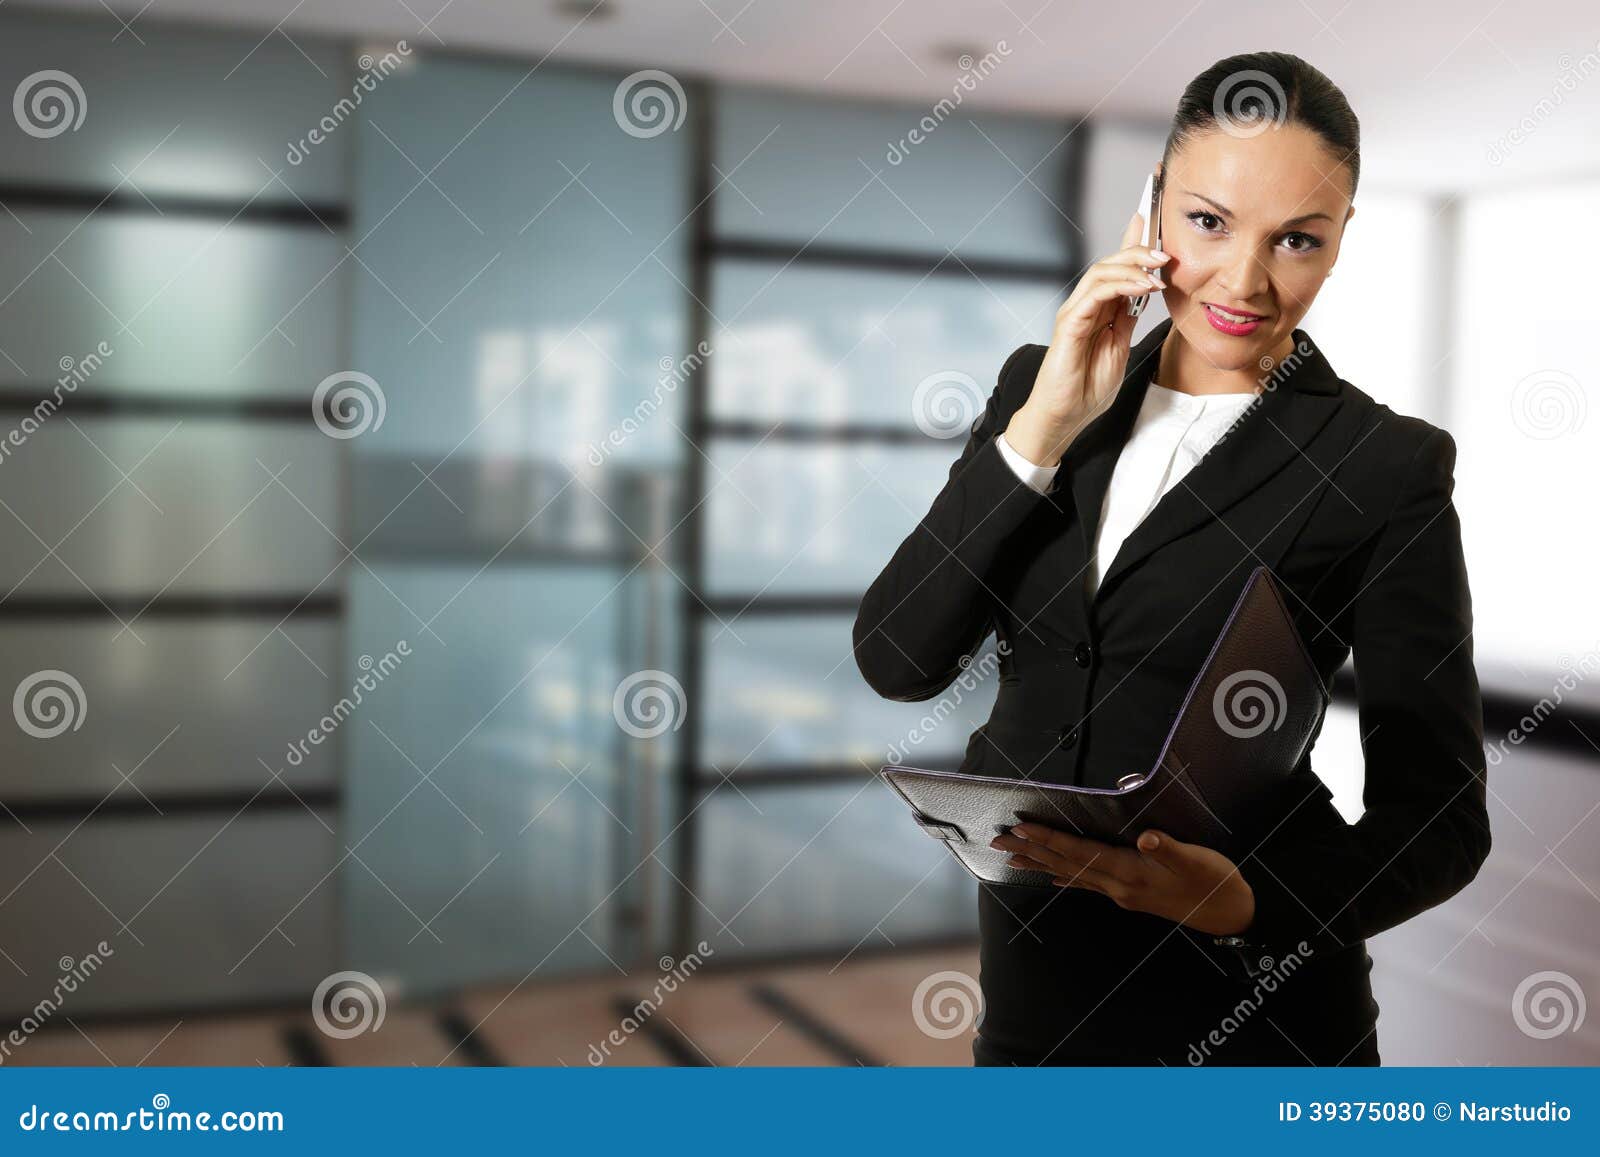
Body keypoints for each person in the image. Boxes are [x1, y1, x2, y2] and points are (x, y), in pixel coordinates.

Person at [852, 51, 1490, 1066]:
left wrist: (1250, 901)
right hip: (1034, 994)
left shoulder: (1384, 465)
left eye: (1296, 239)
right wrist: (1043, 427)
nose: (1244, 280)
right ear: (1153, 208)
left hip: (1259, 1011)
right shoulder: (1038, 388)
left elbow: (1441, 818)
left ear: (1339, 242)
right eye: (1208, 222)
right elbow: (897, 658)